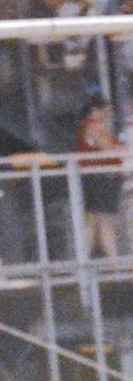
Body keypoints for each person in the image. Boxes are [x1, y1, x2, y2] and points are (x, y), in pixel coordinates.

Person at [74, 95, 124, 260]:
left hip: (95, 178)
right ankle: (113, 262)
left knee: (95, 221)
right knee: (103, 220)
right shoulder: (94, 126)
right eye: (106, 111)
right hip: (99, 179)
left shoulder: (86, 127)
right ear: (95, 111)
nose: (108, 115)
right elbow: (109, 149)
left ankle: (84, 259)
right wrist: (122, 149)